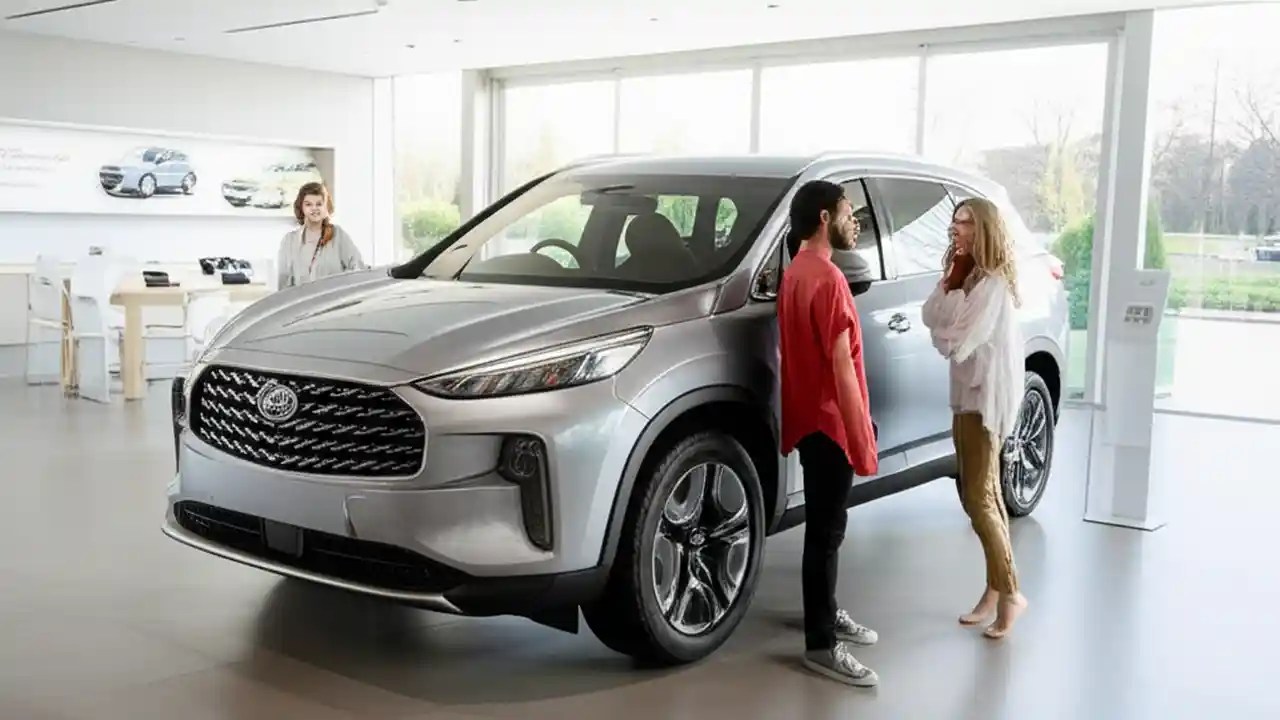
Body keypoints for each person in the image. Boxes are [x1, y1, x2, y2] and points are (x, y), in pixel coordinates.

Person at [778, 180, 881, 687]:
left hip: (809, 422)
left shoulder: (795, 272)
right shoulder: (830, 278)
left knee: (821, 529)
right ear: (824, 218)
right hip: (832, 424)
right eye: (846, 210)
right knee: (826, 533)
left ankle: (827, 610)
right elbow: (842, 367)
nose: (852, 219)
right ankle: (821, 644)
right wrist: (860, 435)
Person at [921, 197, 1028, 640]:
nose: (956, 229)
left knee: (978, 499)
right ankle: (994, 588)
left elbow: (956, 342)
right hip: (966, 396)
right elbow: (930, 316)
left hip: (986, 400)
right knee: (981, 497)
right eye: (954, 221)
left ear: (982, 228)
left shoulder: (994, 285)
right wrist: (950, 287)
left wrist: (945, 326)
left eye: (965, 222)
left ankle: (1012, 594)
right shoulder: (965, 276)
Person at [276, 181, 365, 289]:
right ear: (301, 207)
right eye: (308, 204)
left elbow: (357, 269)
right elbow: (283, 283)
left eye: (319, 204)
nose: (314, 208)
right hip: (302, 303)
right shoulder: (289, 241)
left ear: (326, 207)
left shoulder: (338, 235)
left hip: (333, 301)